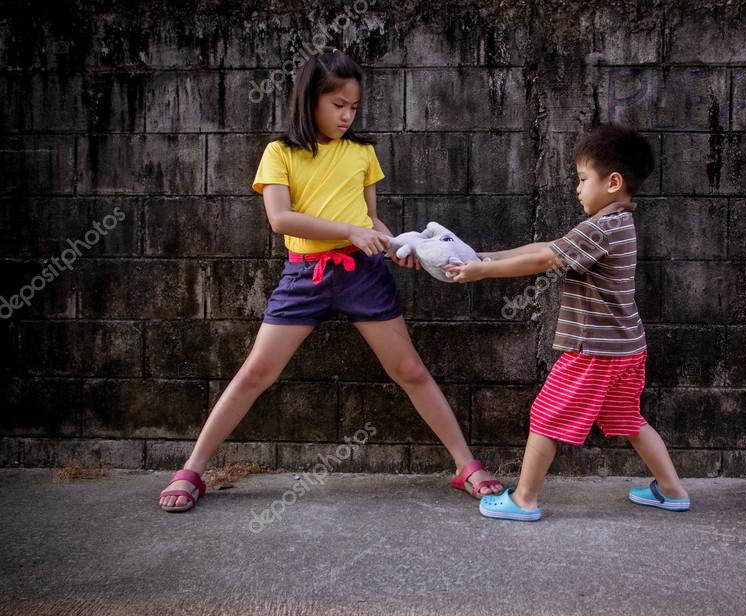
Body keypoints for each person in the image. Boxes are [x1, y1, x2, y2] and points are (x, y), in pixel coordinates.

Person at [157, 49, 503, 512]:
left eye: (354, 107)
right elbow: (281, 220)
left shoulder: (362, 152)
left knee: (410, 371)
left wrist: (401, 247)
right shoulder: (278, 153)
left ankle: (466, 466)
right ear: (310, 99)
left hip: (365, 274)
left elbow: (371, 220)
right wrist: (351, 232)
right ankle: (192, 469)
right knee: (256, 372)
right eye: (337, 104)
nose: (346, 115)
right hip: (304, 275)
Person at [446, 123, 689, 521]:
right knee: (629, 418)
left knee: (545, 414)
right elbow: (547, 248)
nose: (577, 189)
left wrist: (484, 272)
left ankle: (524, 499)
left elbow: (547, 260)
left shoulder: (601, 228)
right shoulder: (618, 223)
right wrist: (485, 259)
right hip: (627, 348)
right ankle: (671, 489)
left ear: (612, 182)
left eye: (581, 179)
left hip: (593, 350)